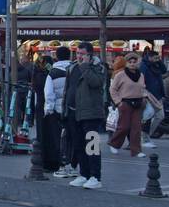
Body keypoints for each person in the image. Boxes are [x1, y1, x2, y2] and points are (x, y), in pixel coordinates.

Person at [64, 42, 107, 188]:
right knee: (79, 145)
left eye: (82, 54)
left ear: (90, 54)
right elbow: (68, 88)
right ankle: (84, 174)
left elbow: (96, 83)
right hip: (73, 112)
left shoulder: (98, 67)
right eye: (77, 53)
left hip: (91, 114)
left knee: (92, 146)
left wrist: (85, 67)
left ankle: (96, 176)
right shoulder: (72, 67)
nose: (79, 56)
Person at [108, 51, 147, 157]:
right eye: (130, 62)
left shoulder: (141, 75)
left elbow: (143, 87)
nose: (132, 64)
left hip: (138, 103)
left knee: (136, 129)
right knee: (124, 127)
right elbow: (113, 89)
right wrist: (118, 102)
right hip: (125, 103)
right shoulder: (120, 75)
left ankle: (136, 151)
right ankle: (114, 144)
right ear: (126, 63)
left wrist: (144, 98)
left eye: (134, 61)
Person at [43, 46, 72, 176]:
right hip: (71, 108)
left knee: (57, 137)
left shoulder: (53, 73)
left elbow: (49, 93)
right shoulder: (75, 69)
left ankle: (59, 161)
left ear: (57, 57)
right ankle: (70, 161)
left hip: (56, 109)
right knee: (70, 136)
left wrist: (48, 109)